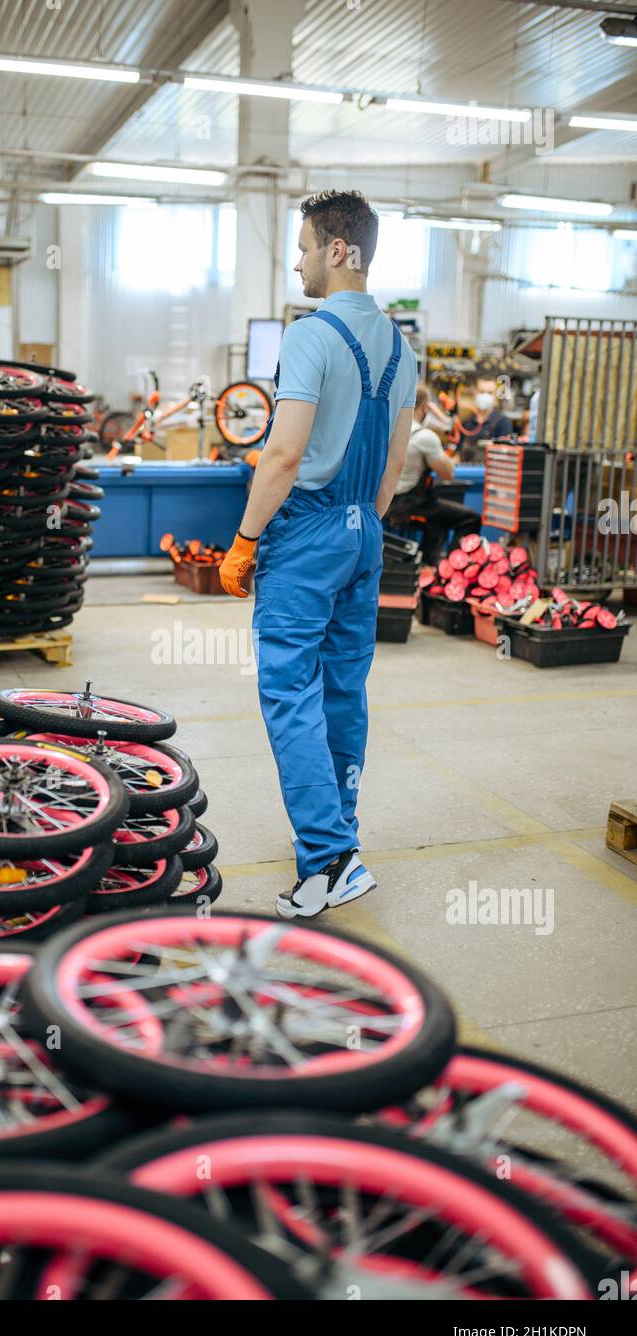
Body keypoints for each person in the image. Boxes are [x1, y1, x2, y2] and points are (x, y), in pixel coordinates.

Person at [218, 189, 416, 919]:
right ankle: (341, 844)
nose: (298, 262)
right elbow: (393, 470)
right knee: (341, 692)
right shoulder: (402, 347)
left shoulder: (308, 337)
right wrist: (357, 527)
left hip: (305, 534)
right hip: (366, 528)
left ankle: (329, 861)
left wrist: (243, 542)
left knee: (289, 693)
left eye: (303, 247)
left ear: (339, 250)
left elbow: (283, 453)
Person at [384, 383, 482, 563]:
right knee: (470, 518)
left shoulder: (387, 429)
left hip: (384, 504)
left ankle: (429, 563)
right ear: (424, 407)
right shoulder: (424, 437)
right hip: (408, 505)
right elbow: (447, 475)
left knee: (438, 517)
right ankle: (452, 568)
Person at [453, 371, 513, 457]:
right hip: (466, 469)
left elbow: (505, 455)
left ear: (495, 394)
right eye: (482, 392)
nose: (485, 396)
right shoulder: (465, 423)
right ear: (475, 392)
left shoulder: (503, 422)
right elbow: (457, 454)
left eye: (490, 393)